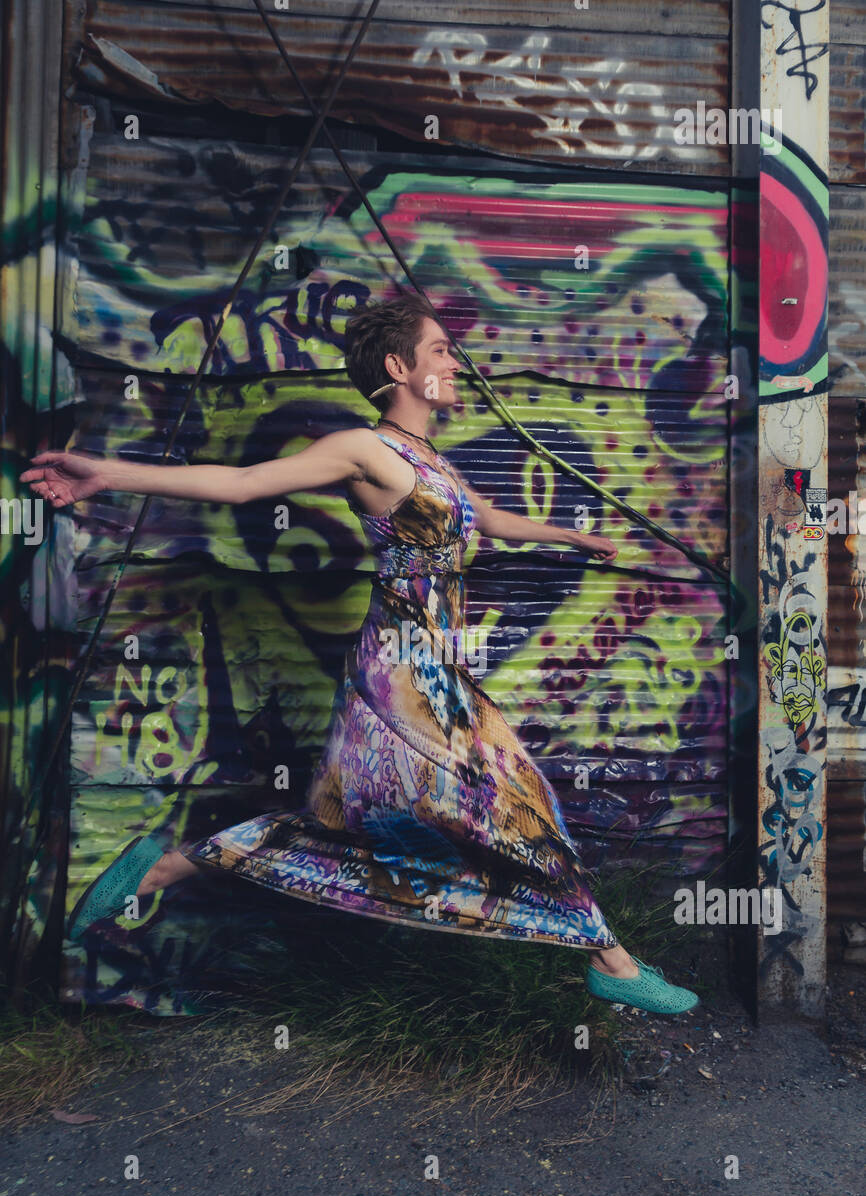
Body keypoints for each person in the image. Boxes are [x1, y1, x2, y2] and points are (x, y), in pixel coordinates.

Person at [22, 291, 698, 1015]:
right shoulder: (363, 449)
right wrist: (108, 473)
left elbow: (488, 519)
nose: (455, 363)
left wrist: (572, 538)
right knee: (517, 807)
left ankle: (165, 867)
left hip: (440, 670)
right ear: (399, 365)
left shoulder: (426, 457)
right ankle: (611, 961)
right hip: (402, 673)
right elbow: (243, 484)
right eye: (441, 350)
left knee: (358, 827)